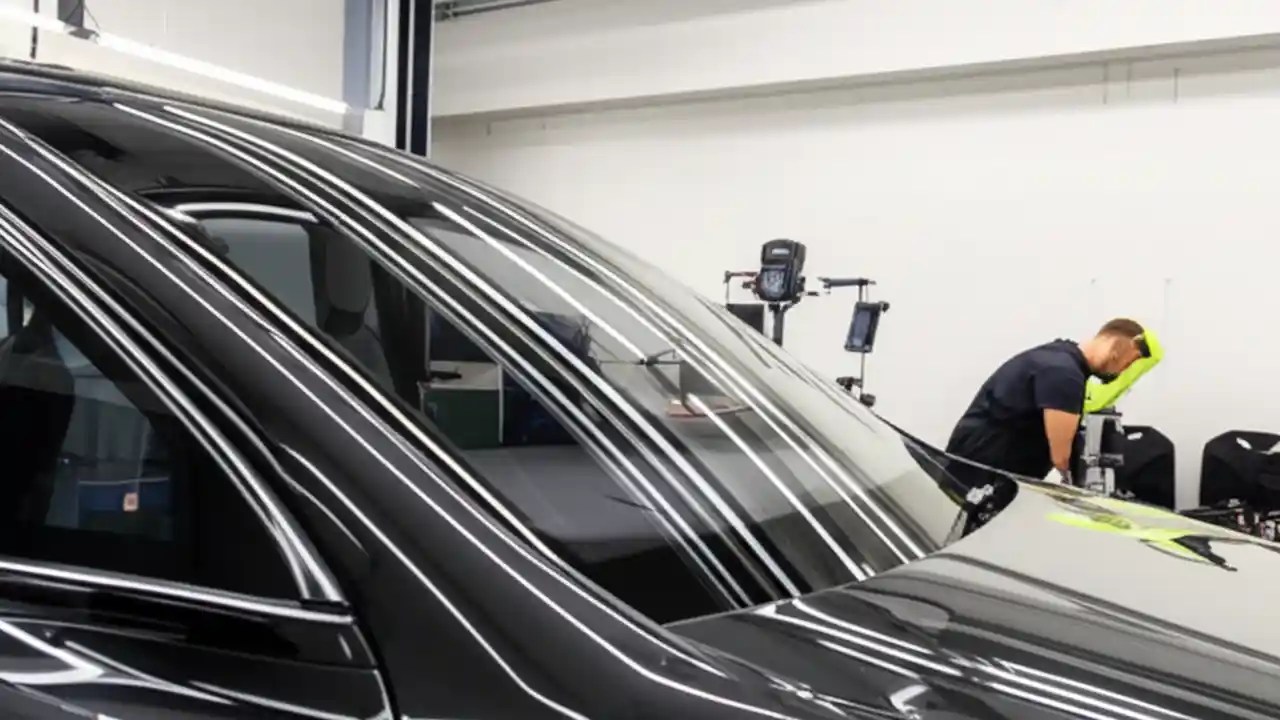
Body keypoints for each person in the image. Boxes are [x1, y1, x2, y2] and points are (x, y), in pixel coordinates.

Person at [946, 318, 1150, 484]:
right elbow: (1061, 456)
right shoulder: (1064, 374)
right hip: (983, 474)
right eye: (1129, 361)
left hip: (972, 465)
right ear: (1116, 350)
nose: (1125, 370)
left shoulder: (1059, 357)